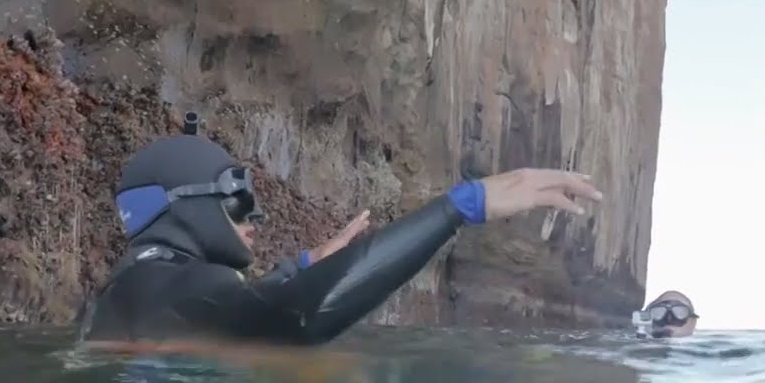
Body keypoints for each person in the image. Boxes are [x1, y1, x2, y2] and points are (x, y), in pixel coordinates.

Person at [78, 122, 602, 345]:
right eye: (239, 197)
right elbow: (302, 319)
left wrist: (303, 267)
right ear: (183, 203)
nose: (256, 216)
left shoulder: (138, 288)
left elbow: (232, 313)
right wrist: (460, 206)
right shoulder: (159, 290)